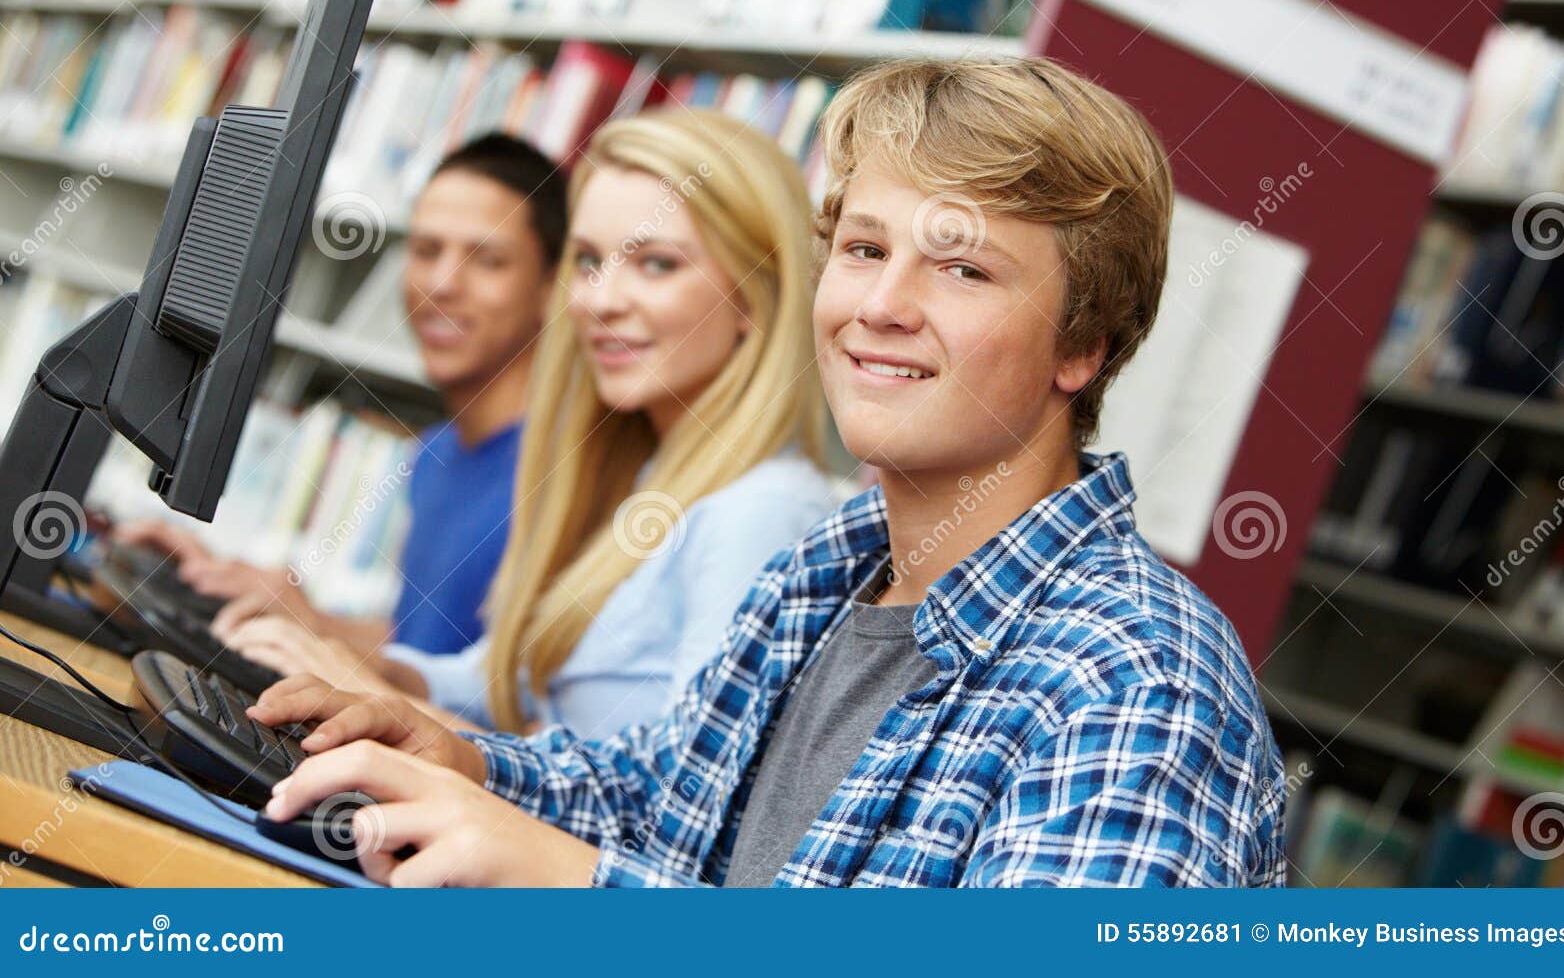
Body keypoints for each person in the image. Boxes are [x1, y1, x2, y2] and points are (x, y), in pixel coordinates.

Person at [252, 56, 1287, 887]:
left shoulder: (1136, 681)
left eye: (963, 267)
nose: (881, 304)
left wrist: (577, 886)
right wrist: (462, 758)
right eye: (865, 247)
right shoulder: (825, 575)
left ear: (1083, 344)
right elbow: (662, 799)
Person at [225, 107, 841, 737]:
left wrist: (395, 707)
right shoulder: (649, 472)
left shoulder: (762, 512)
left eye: (656, 264)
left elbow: (676, 805)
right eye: (588, 261)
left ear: (756, 295)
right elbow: (507, 688)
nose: (600, 300)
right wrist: (344, 660)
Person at [114, 132, 567, 658]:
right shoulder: (435, 452)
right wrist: (267, 600)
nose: (442, 283)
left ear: (553, 285)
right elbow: (427, 651)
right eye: (425, 250)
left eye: (487, 259)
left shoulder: (570, 475)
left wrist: (312, 626)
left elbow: (504, 704)